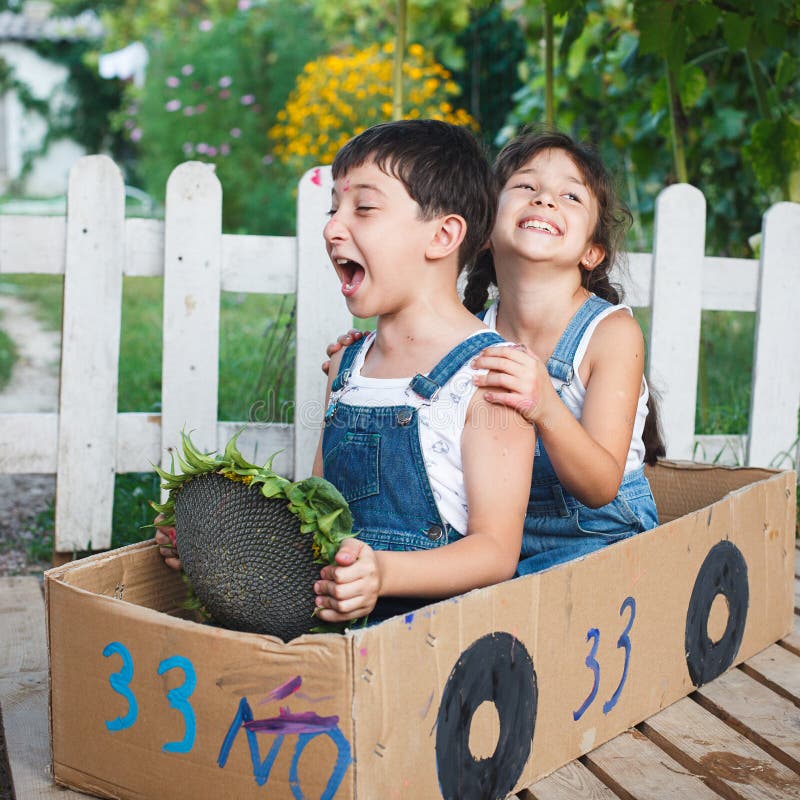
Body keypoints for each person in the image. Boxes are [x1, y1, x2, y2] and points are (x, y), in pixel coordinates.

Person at [158, 120, 535, 626]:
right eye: (334, 208)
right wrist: (218, 545)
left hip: (432, 639)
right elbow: (315, 518)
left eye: (364, 208)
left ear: (443, 235)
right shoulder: (346, 366)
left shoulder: (488, 377)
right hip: (331, 627)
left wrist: (380, 573)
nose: (333, 227)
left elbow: (495, 552)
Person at [326, 129, 663, 578]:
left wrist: (546, 406)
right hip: (499, 541)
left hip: (595, 538)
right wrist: (366, 374)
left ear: (591, 252)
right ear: (484, 231)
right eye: (526, 186)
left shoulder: (611, 333)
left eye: (570, 196)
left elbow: (601, 485)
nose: (544, 200)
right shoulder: (471, 340)